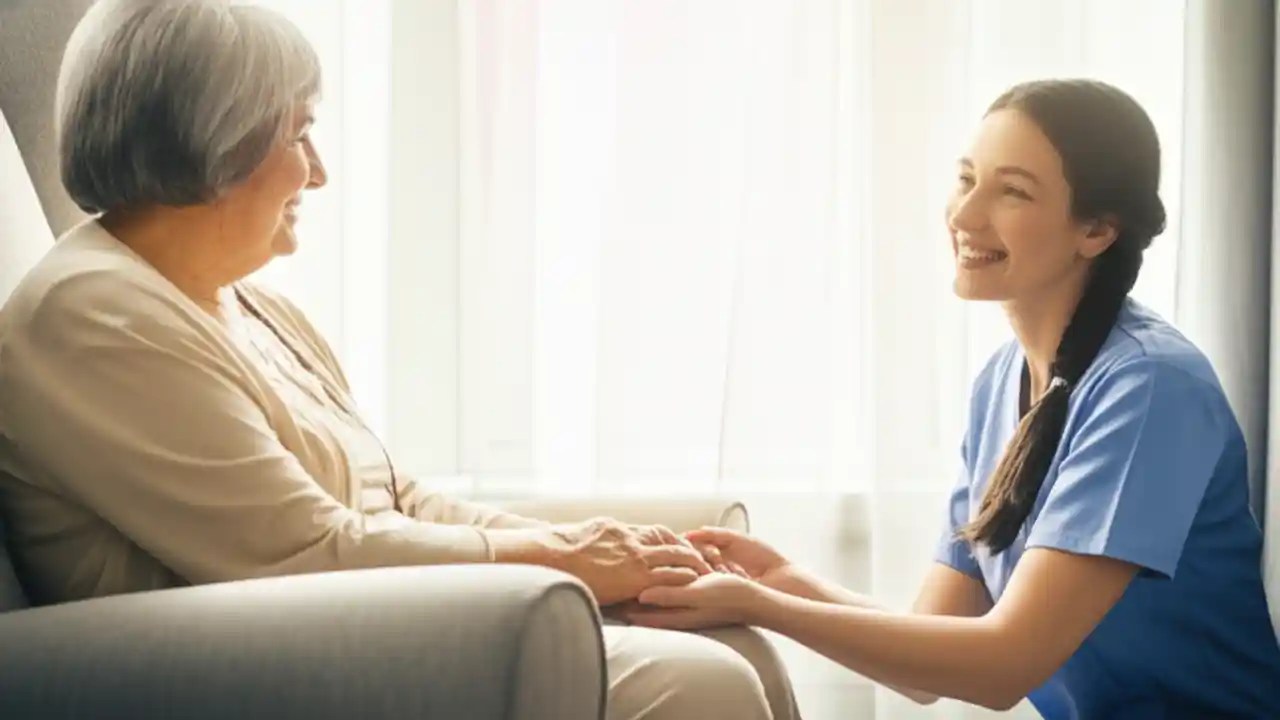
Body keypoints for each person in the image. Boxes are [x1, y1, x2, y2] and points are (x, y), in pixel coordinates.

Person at [0, 2, 798, 718]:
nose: (318, 170)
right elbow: (308, 553)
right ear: (211, 143)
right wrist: (565, 560)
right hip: (236, 663)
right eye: (297, 132)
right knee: (700, 680)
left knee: (733, 634)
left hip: (348, 621)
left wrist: (601, 544)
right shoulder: (93, 315)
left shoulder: (251, 306)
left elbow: (397, 499)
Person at [627, 79, 1280, 718]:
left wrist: (762, 609)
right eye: (967, 179)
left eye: (1012, 192)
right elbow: (936, 653)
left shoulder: (1150, 389)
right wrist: (779, 582)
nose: (965, 216)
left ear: (1097, 230)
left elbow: (1002, 667)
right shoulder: (1003, 382)